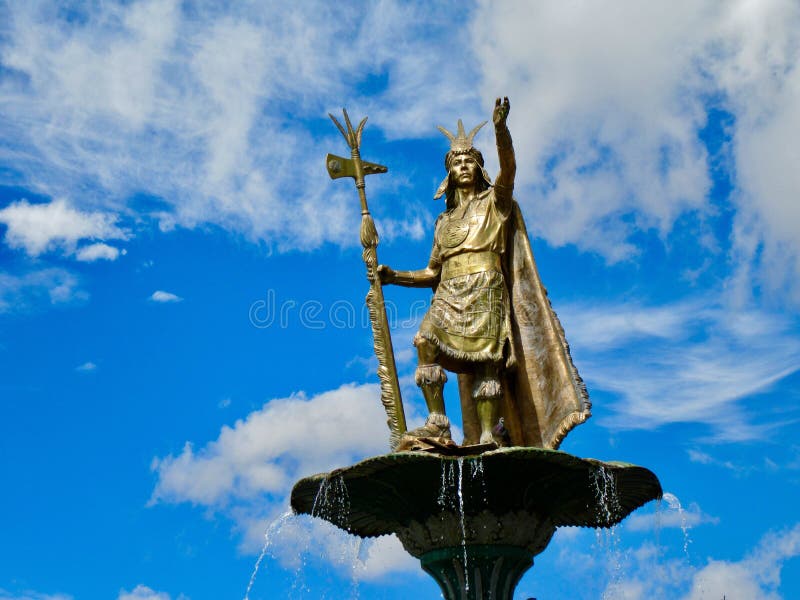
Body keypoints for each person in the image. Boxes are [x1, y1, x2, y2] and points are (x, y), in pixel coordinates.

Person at [379, 98, 591, 449]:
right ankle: (438, 424)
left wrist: (500, 130)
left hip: (486, 287)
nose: (463, 167)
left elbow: (509, 169)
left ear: (479, 168)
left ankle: (490, 435)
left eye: (470, 161)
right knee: (425, 342)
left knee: (486, 364)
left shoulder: (496, 203)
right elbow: (433, 272)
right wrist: (392, 275)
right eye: (457, 163)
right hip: (449, 292)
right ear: (449, 173)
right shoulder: (444, 223)